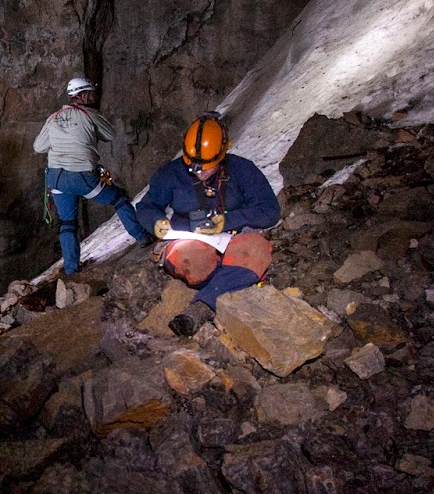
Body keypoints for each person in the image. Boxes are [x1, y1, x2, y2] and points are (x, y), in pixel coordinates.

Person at [135, 112, 281, 337]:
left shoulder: (243, 170)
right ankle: (234, 284)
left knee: (256, 250)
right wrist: (155, 222)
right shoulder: (170, 175)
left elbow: (270, 211)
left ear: (221, 157)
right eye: (192, 165)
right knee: (194, 259)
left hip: (234, 241)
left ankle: (201, 307)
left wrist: (229, 220)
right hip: (190, 241)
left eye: (205, 167)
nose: (197, 171)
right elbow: (146, 207)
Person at [33, 77, 149, 275]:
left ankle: (71, 269)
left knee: (67, 222)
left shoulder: (53, 118)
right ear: (83, 95)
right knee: (119, 199)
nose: (95, 96)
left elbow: (38, 147)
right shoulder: (90, 115)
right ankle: (142, 237)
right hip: (82, 177)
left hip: (57, 178)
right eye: (91, 92)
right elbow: (109, 135)